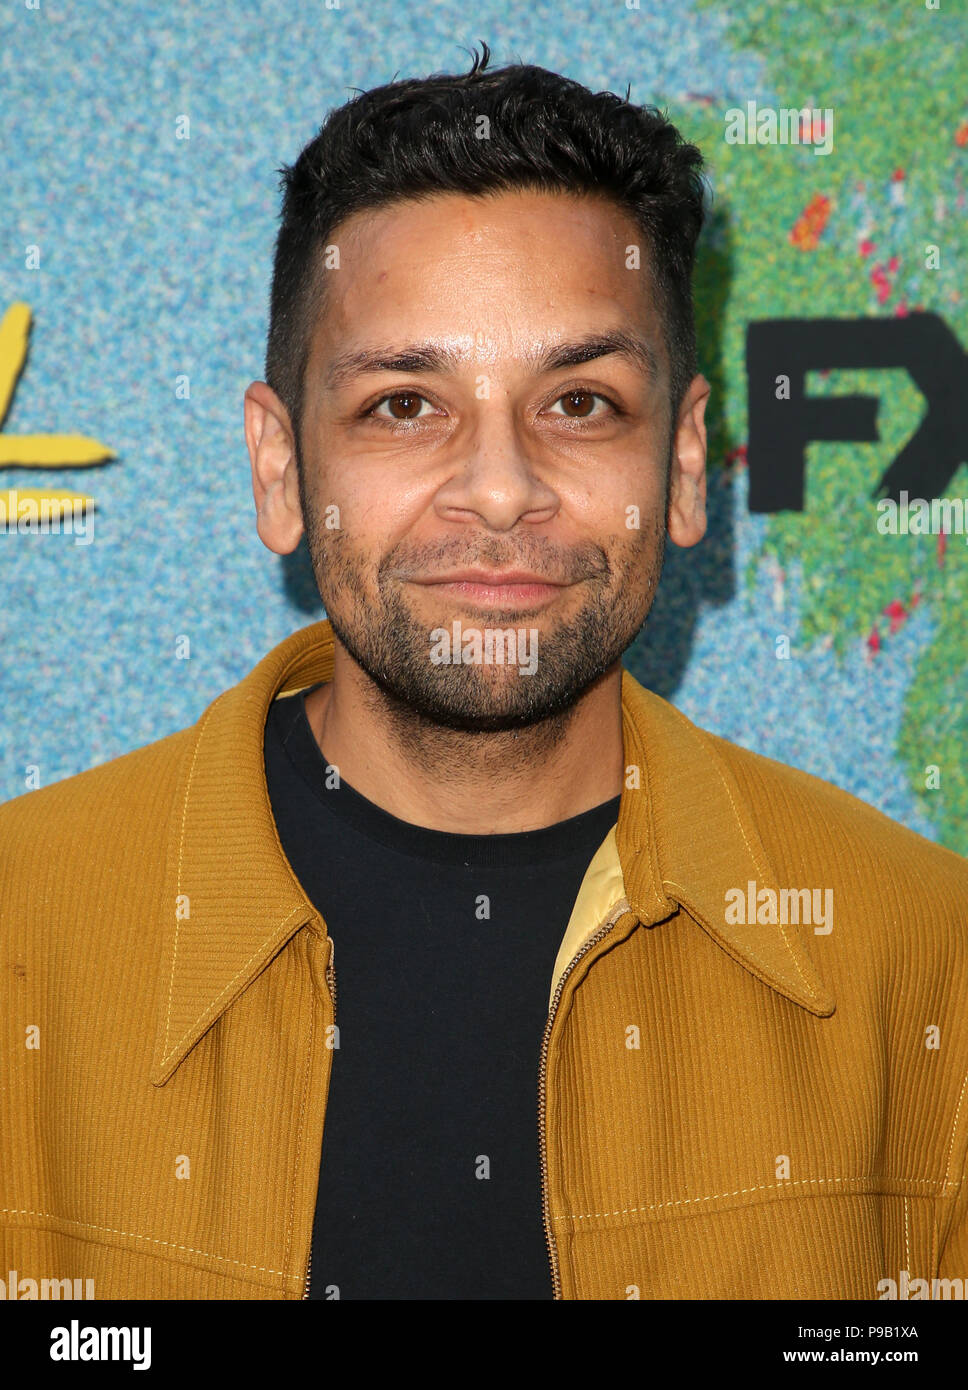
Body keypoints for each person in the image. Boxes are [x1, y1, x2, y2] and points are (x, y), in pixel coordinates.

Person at [2, 43, 967, 1302]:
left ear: (682, 465)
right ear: (282, 469)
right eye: (406, 405)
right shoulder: (23, 934)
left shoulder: (921, 953)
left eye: (578, 403)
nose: (502, 489)